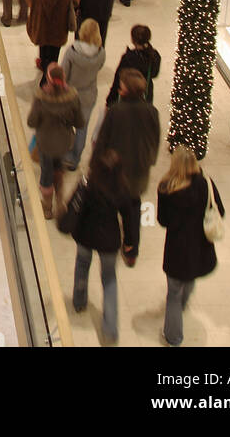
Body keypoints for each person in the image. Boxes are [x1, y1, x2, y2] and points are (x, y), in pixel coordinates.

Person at [64, 146, 139, 345]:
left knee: (82, 266)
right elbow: (129, 218)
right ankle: (110, 329)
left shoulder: (88, 183)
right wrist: (130, 243)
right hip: (109, 240)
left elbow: (73, 204)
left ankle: (79, 302)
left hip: (85, 235)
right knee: (109, 280)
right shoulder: (122, 189)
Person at [157, 145, 226, 345]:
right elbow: (219, 210)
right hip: (199, 248)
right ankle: (183, 304)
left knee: (173, 294)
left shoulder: (166, 188)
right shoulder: (206, 183)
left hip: (177, 250)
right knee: (189, 278)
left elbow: (163, 220)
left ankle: (174, 337)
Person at [28, 61, 85, 218]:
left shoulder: (41, 97)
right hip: (64, 143)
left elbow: (31, 121)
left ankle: (47, 207)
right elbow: (79, 122)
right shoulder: (72, 97)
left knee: (46, 172)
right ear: (64, 78)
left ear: (48, 78)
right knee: (59, 168)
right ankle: (60, 202)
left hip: (45, 143)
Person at [95, 69, 161, 204]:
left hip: (116, 170)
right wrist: (150, 159)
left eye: (122, 85)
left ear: (128, 90)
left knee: (112, 205)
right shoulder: (151, 111)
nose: (119, 88)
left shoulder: (116, 110)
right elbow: (155, 139)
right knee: (133, 206)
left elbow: (103, 140)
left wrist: (95, 166)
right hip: (139, 169)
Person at [23, 0, 81, 75]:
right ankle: (51, 72)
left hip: (42, 25)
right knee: (55, 53)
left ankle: (44, 68)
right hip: (59, 27)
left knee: (43, 49)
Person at [60, 19, 105, 172]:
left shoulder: (72, 52)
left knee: (65, 125)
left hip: (70, 94)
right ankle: (75, 159)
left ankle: (64, 153)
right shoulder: (101, 53)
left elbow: (63, 73)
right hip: (89, 95)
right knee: (82, 127)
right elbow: (99, 68)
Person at [105, 24, 162, 107]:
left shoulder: (128, 58)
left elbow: (117, 79)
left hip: (128, 92)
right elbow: (155, 74)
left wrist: (110, 101)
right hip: (146, 92)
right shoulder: (154, 55)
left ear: (133, 39)